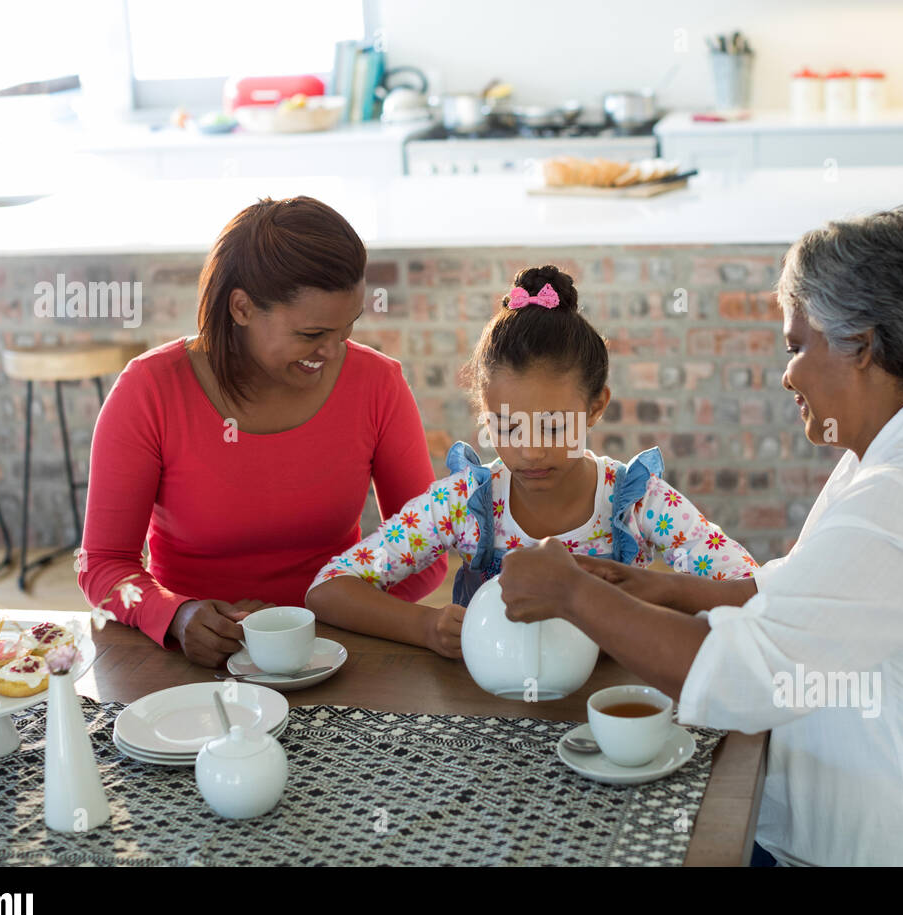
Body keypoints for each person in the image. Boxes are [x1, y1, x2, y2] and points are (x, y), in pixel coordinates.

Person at [497, 206, 903, 866]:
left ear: (861, 344)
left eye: (799, 346)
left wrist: (575, 594)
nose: (788, 374)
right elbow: (807, 596)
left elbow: (746, 682)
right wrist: (667, 588)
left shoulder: (901, 502)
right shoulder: (899, 455)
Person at [306, 265, 758, 658]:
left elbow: (754, 591)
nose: (530, 451)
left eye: (555, 427)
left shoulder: (637, 502)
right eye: (506, 426)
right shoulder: (465, 501)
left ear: (596, 407)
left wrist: (660, 594)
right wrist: (424, 627)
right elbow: (329, 589)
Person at [78, 196, 444, 667]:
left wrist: (316, 619)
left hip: (334, 652)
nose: (334, 351)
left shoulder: (377, 384)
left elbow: (428, 549)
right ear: (243, 308)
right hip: (190, 659)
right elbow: (102, 565)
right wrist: (177, 616)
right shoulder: (149, 391)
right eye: (312, 335)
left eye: (347, 328)